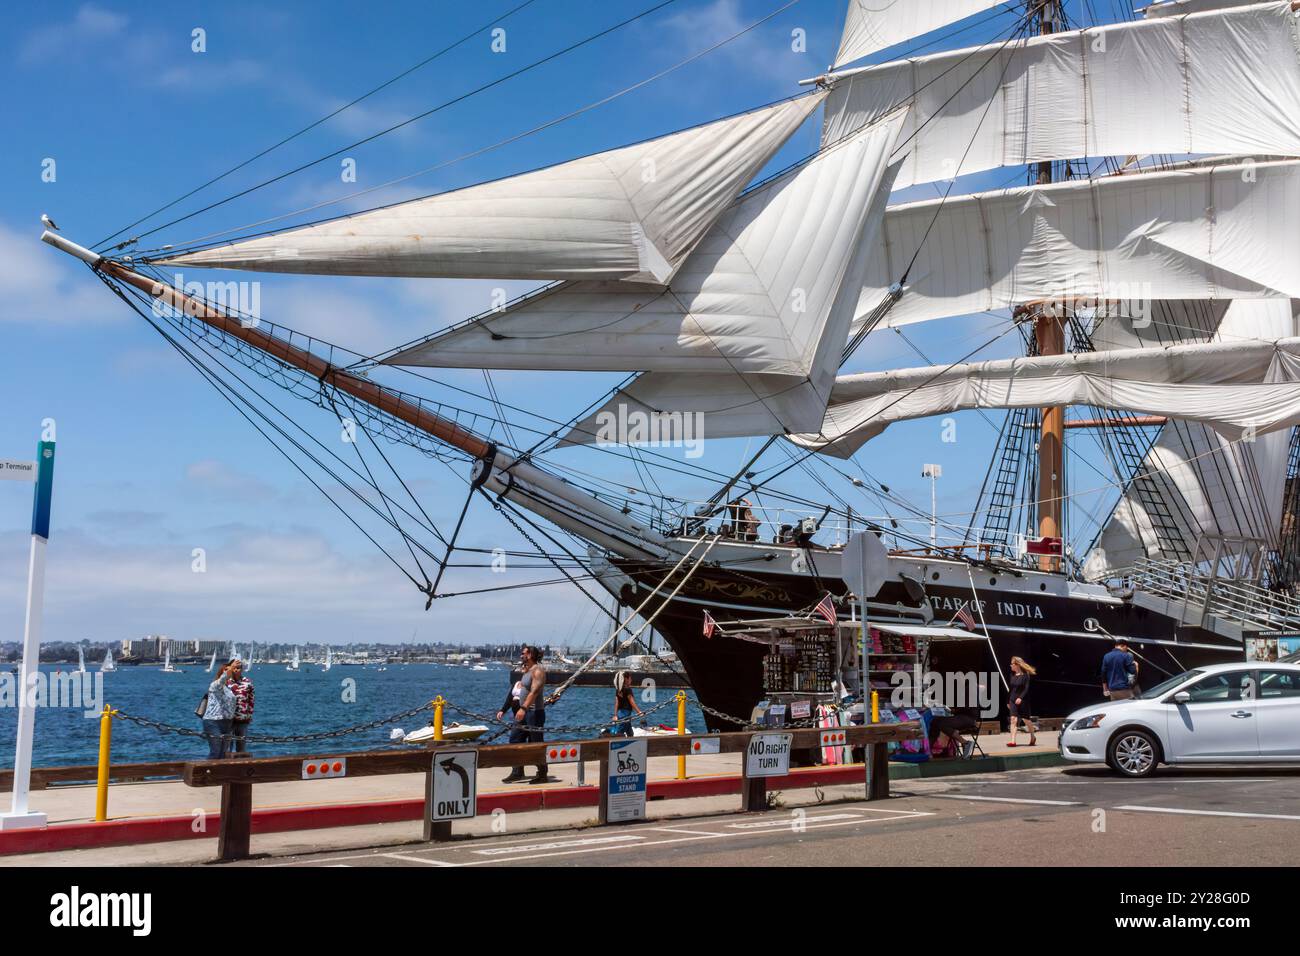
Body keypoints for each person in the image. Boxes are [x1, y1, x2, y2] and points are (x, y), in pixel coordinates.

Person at [502, 645, 549, 784]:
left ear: (530, 655)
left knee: (535, 743)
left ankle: (542, 774)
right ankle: (517, 771)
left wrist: (523, 708)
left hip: (534, 713)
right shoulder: (526, 671)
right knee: (515, 740)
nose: (521, 655)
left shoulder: (537, 671)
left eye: (523, 653)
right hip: (524, 713)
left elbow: (534, 693)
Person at [200, 660, 237, 759]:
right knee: (215, 751)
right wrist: (230, 668)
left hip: (227, 722)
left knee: (223, 753)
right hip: (213, 721)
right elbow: (222, 680)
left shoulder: (229, 689)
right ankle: (207, 772)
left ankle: (219, 773)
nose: (229, 671)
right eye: (225, 670)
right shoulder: (215, 685)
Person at [1006, 656, 1037, 747]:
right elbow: (1010, 689)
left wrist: (1021, 697)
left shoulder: (1025, 675)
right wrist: (1008, 701)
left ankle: (1033, 736)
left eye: (1012, 664)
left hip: (1023, 700)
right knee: (1013, 719)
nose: (1010, 665)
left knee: (1026, 720)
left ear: (1017, 665)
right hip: (1012, 699)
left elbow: (1026, 689)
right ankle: (1013, 741)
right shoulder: (1011, 675)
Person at [228, 658, 255, 754]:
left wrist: (249, 716)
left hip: (243, 719)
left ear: (242, 669)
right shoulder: (226, 682)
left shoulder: (247, 682)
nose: (236, 670)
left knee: (241, 747)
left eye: (238, 668)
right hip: (228, 719)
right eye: (234, 668)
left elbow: (251, 701)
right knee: (227, 747)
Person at [610, 670, 643, 737]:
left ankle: (631, 742)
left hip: (620, 713)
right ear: (626, 679)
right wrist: (639, 712)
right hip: (625, 714)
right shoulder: (628, 689)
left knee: (630, 732)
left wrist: (615, 715)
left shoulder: (618, 690)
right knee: (620, 732)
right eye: (630, 678)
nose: (631, 680)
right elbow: (632, 702)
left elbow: (617, 703)